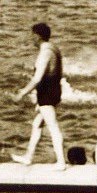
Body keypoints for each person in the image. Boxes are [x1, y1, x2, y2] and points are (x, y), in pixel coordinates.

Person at [13, 22, 66, 167]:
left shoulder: (45, 52)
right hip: (54, 90)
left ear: (38, 36)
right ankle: (28, 157)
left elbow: (37, 78)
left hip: (47, 93)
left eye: (32, 35)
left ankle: (61, 162)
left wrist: (22, 93)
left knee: (53, 127)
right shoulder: (54, 48)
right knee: (37, 124)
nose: (31, 39)